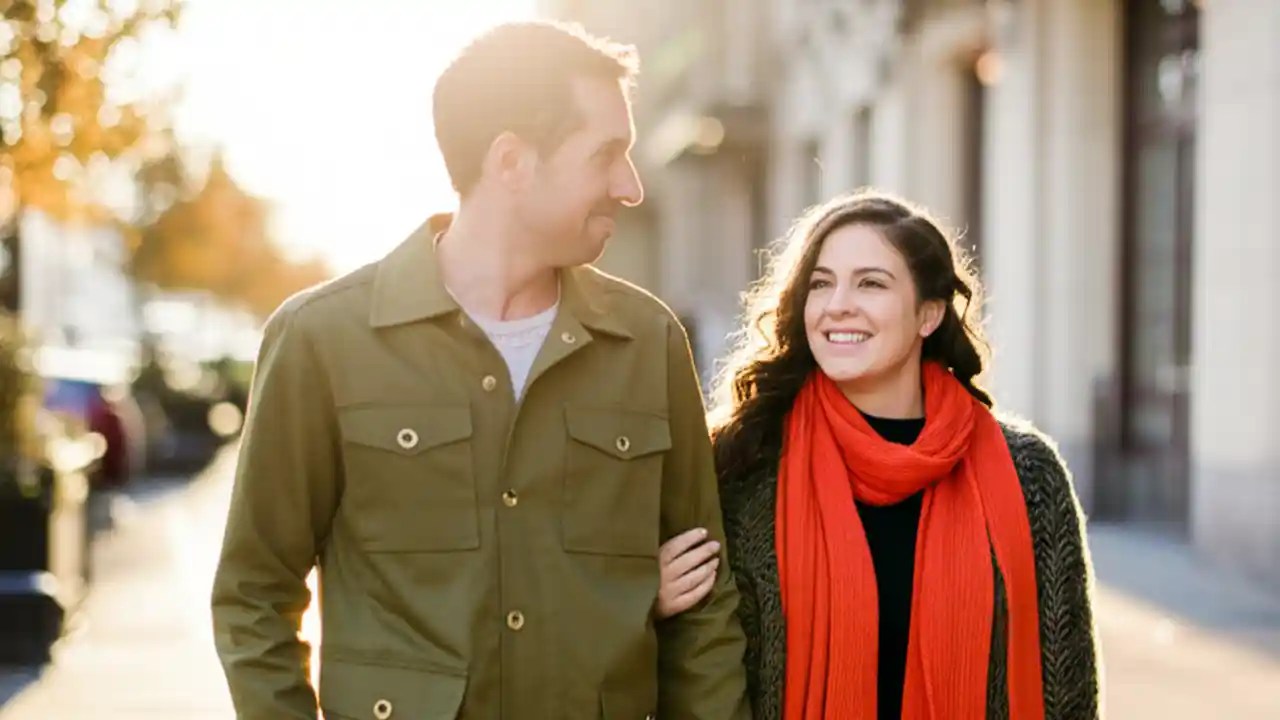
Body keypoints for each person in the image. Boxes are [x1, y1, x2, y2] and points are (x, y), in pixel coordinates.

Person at [212, 21, 750, 720]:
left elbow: (705, 610)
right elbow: (253, 594)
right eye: (606, 155)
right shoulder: (320, 340)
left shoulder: (647, 342)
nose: (631, 186)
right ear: (511, 162)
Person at [656, 192, 1101, 719]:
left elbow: (1067, 690)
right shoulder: (741, 462)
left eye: (871, 283)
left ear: (929, 315)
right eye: (821, 283)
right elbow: (687, 665)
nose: (838, 303)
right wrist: (648, 600)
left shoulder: (1029, 475)